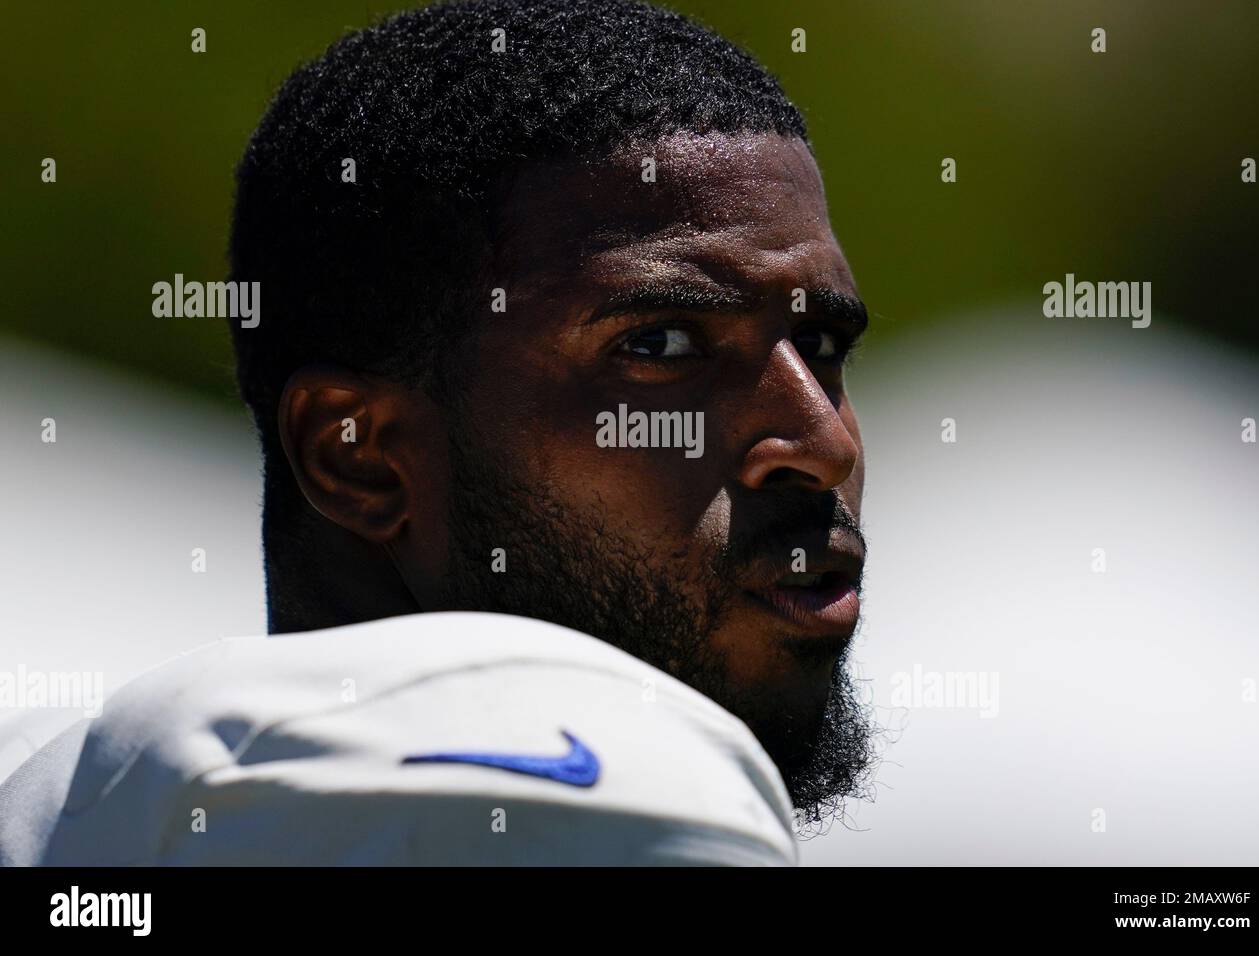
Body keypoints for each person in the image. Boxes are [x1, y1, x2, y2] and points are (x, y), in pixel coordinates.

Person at [0, 0, 874, 866]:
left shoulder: (65, 806)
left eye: (823, 346)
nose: (822, 443)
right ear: (361, 458)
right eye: (660, 345)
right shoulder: (544, 793)